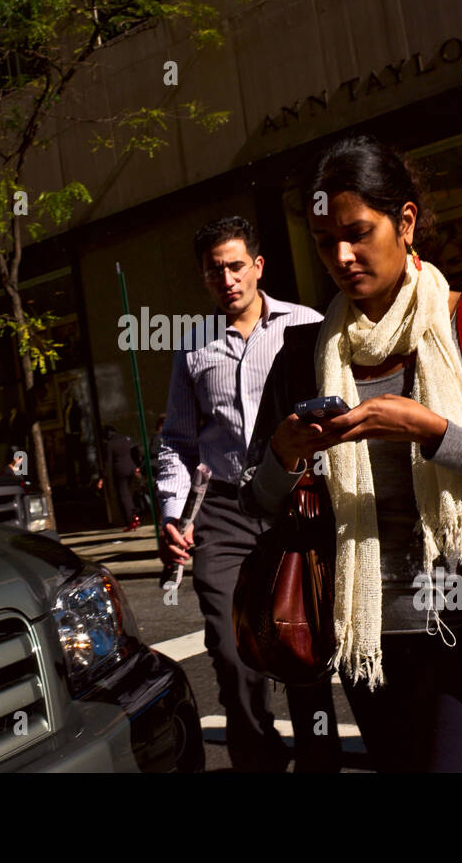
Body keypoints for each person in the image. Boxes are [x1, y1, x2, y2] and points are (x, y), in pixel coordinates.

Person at [240, 137, 462, 772]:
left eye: (358, 233)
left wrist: (434, 432)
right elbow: (258, 507)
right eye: (323, 241)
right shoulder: (303, 356)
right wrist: (282, 457)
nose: (341, 256)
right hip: (365, 638)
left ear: (406, 222)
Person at [156, 215, 336, 773]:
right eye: (215, 271)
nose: (228, 279)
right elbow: (176, 443)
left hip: (296, 504)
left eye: (236, 266)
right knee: (233, 657)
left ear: (258, 267)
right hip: (226, 512)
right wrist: (171, 513)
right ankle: (258, 759)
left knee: (302, 645)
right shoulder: (193, 350)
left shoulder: (307, 326)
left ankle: (318, 759)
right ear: (204, 279)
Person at [99, 424, 140, 532]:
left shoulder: (110, 444)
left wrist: (103, 478)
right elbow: (133, 453)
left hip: (120, 472)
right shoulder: (126, 439)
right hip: (131, 469)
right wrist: (135, 467)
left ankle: (131, 521)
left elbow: (108, 463)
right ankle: (135, 517)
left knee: (124, 496)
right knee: (130, 495)